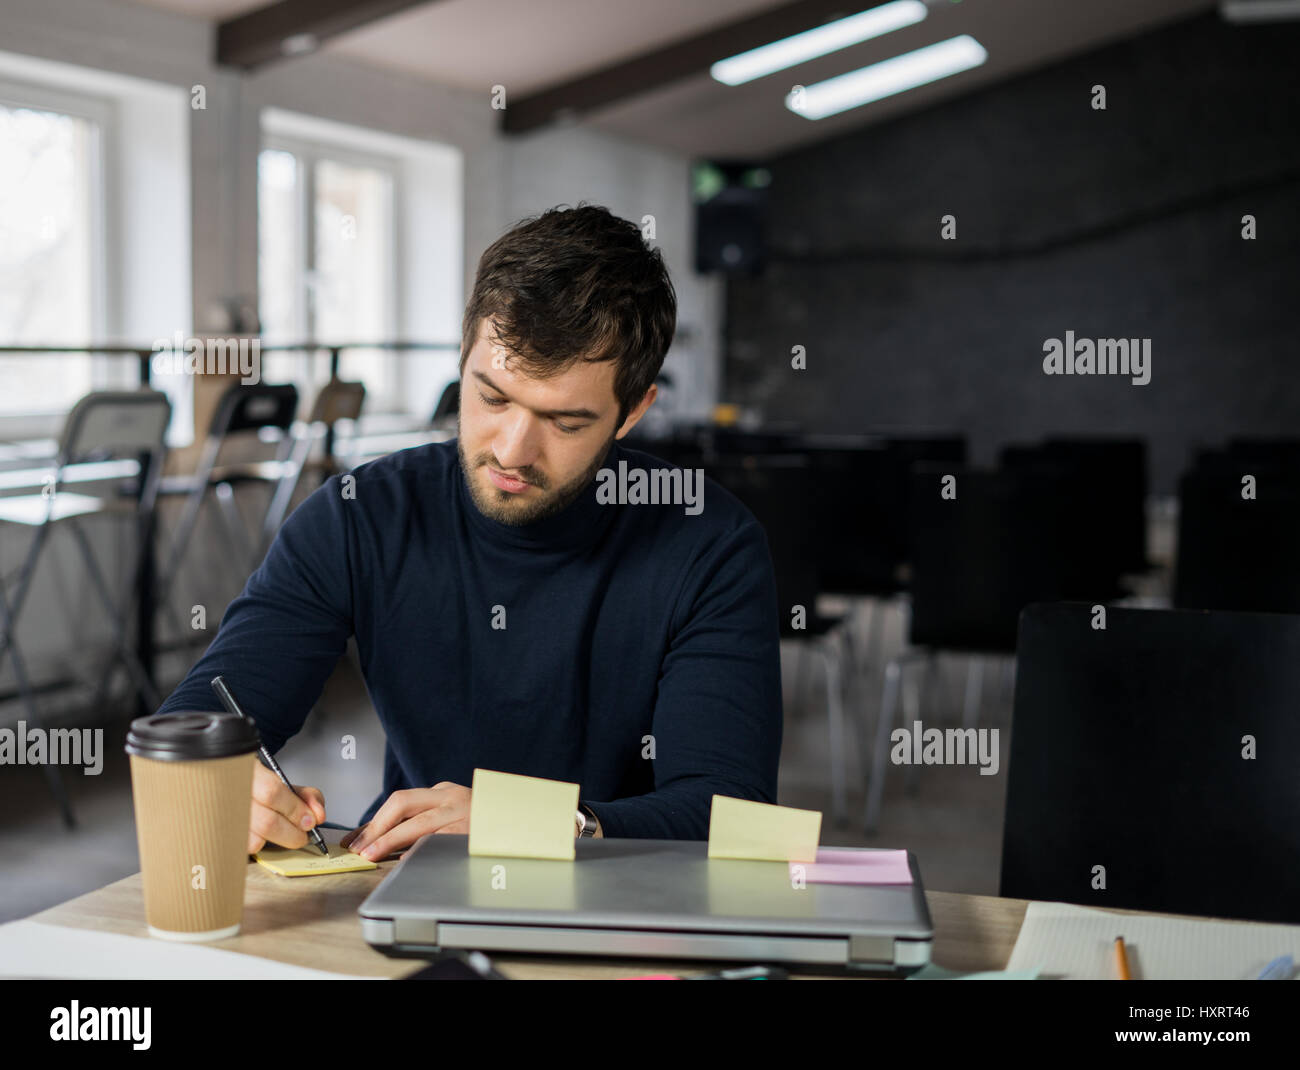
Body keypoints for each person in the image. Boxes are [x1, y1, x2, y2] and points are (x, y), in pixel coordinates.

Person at [157, 203, 783, 860]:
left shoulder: (711, 546)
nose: (513, 450)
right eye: (491, 397)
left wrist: (533, 824)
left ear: (633, 411)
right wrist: (211, 774)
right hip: (409, 896)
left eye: (565, 423)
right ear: (463, 358)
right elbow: (196, 722)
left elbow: (732, 815)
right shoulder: (359, 515)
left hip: (632, 926)